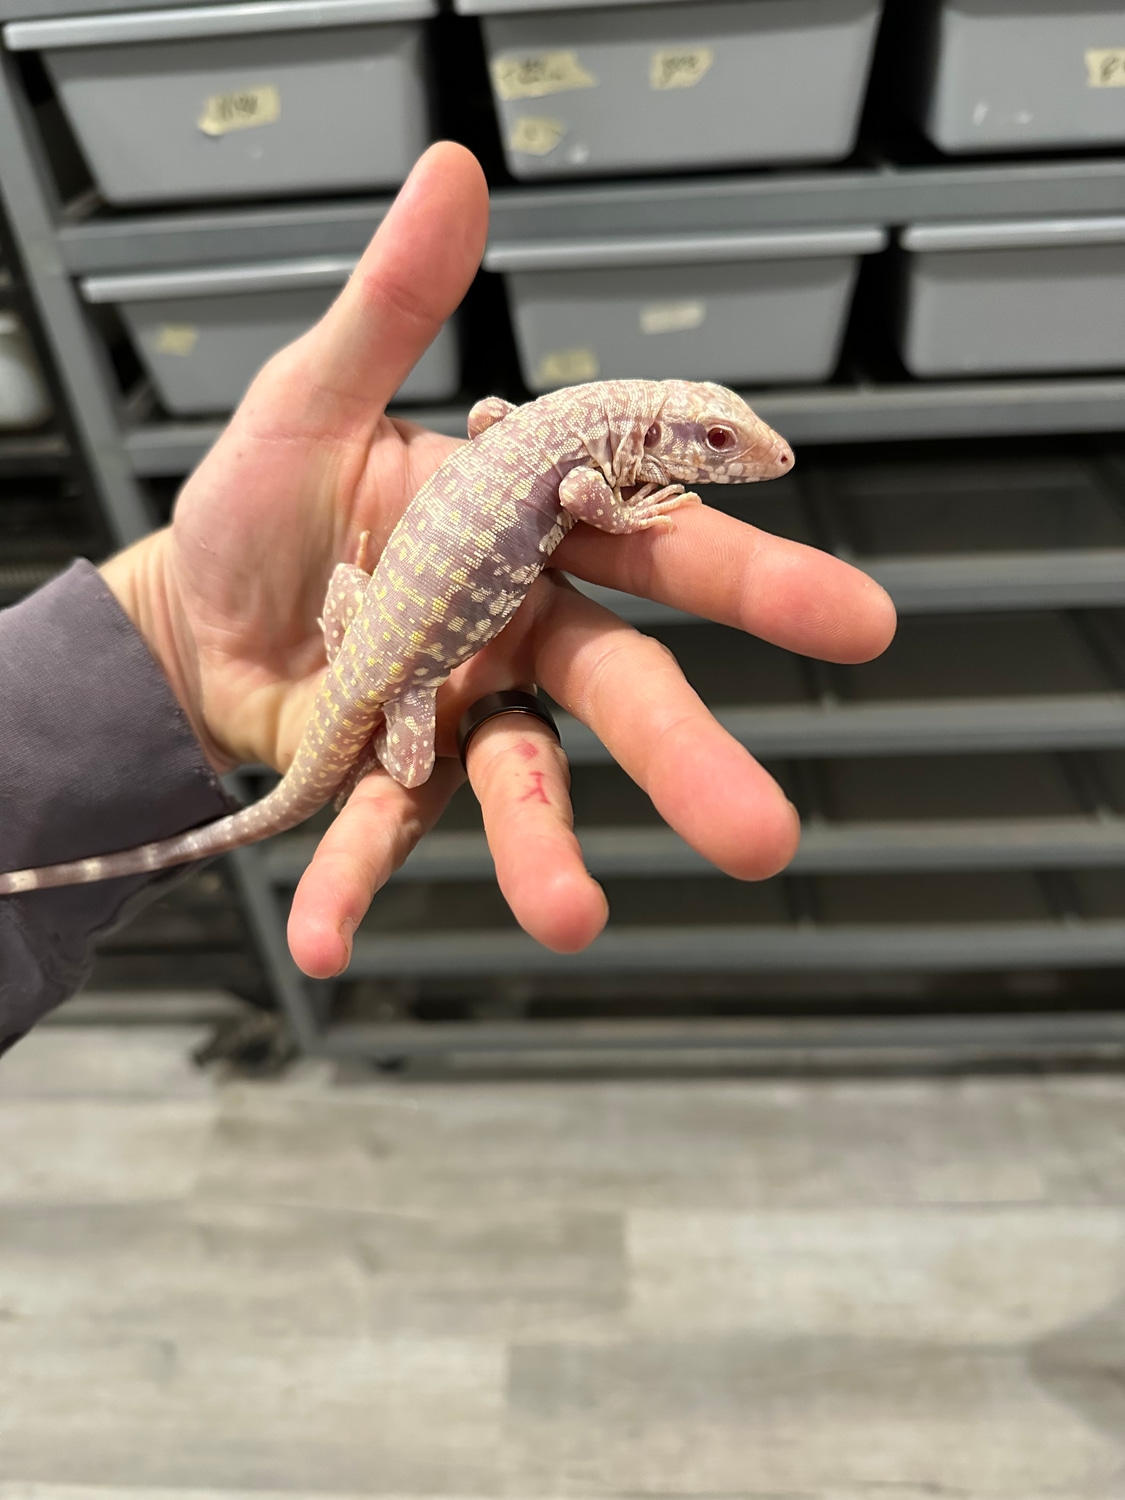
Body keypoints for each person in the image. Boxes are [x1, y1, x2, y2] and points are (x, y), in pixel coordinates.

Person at [0, 142, 896, 1044]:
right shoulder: (587, 471)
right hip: (397, 675)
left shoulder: (542, 418)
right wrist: (627, 515)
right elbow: (581, 493)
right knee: (414, 764)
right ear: (654, 432)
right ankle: (357, 751)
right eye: (717, 443)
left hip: (363, 631)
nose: (756, 453)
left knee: (378, 654)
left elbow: (483, 419)